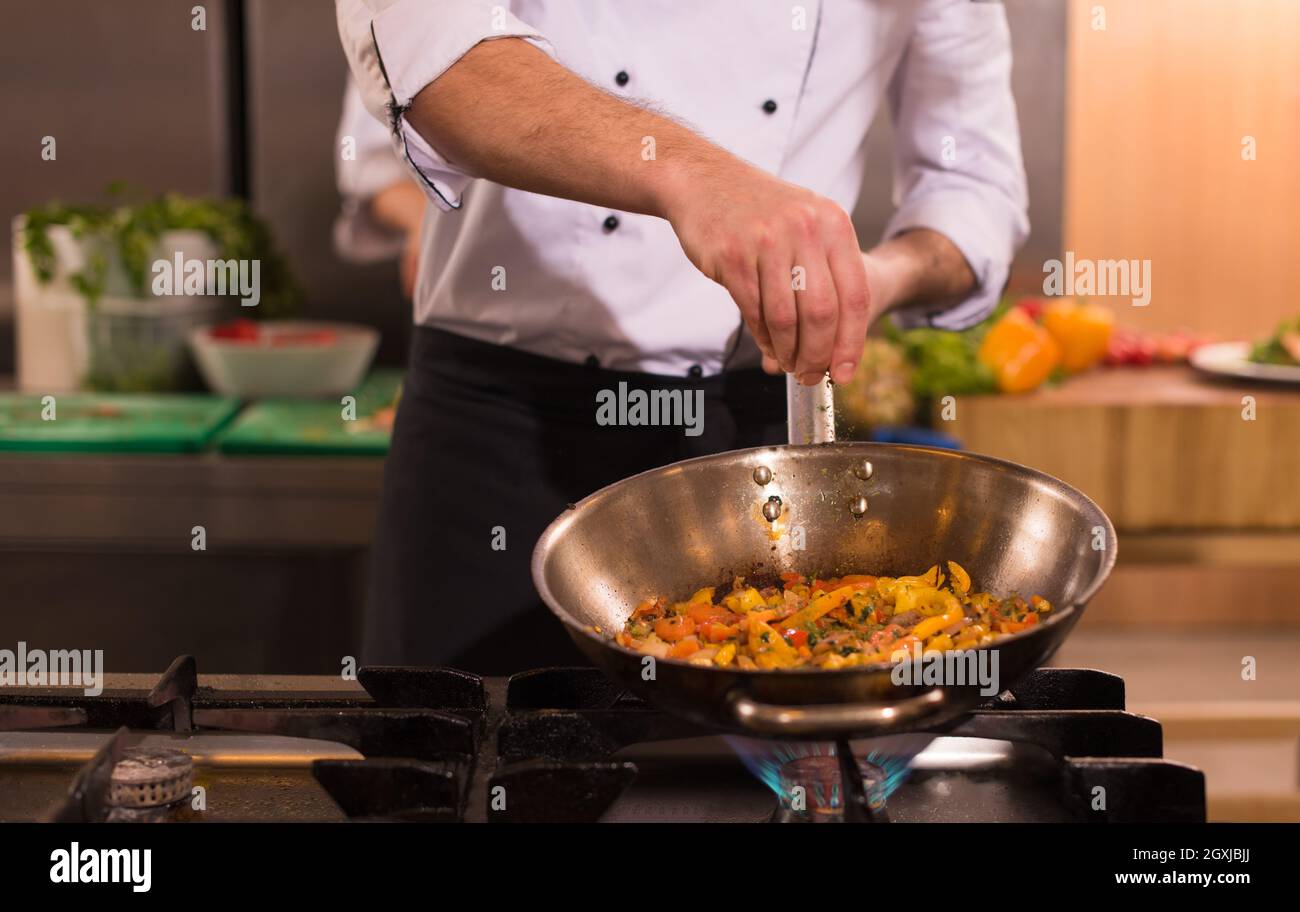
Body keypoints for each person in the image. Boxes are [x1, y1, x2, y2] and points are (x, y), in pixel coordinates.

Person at [335, 0, 1029, 673]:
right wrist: (693, 175)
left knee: (749, 786)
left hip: (757, 433)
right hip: (501, 432)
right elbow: (432, 48)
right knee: (450, 757)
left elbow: (974, 186)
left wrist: (876, 277)